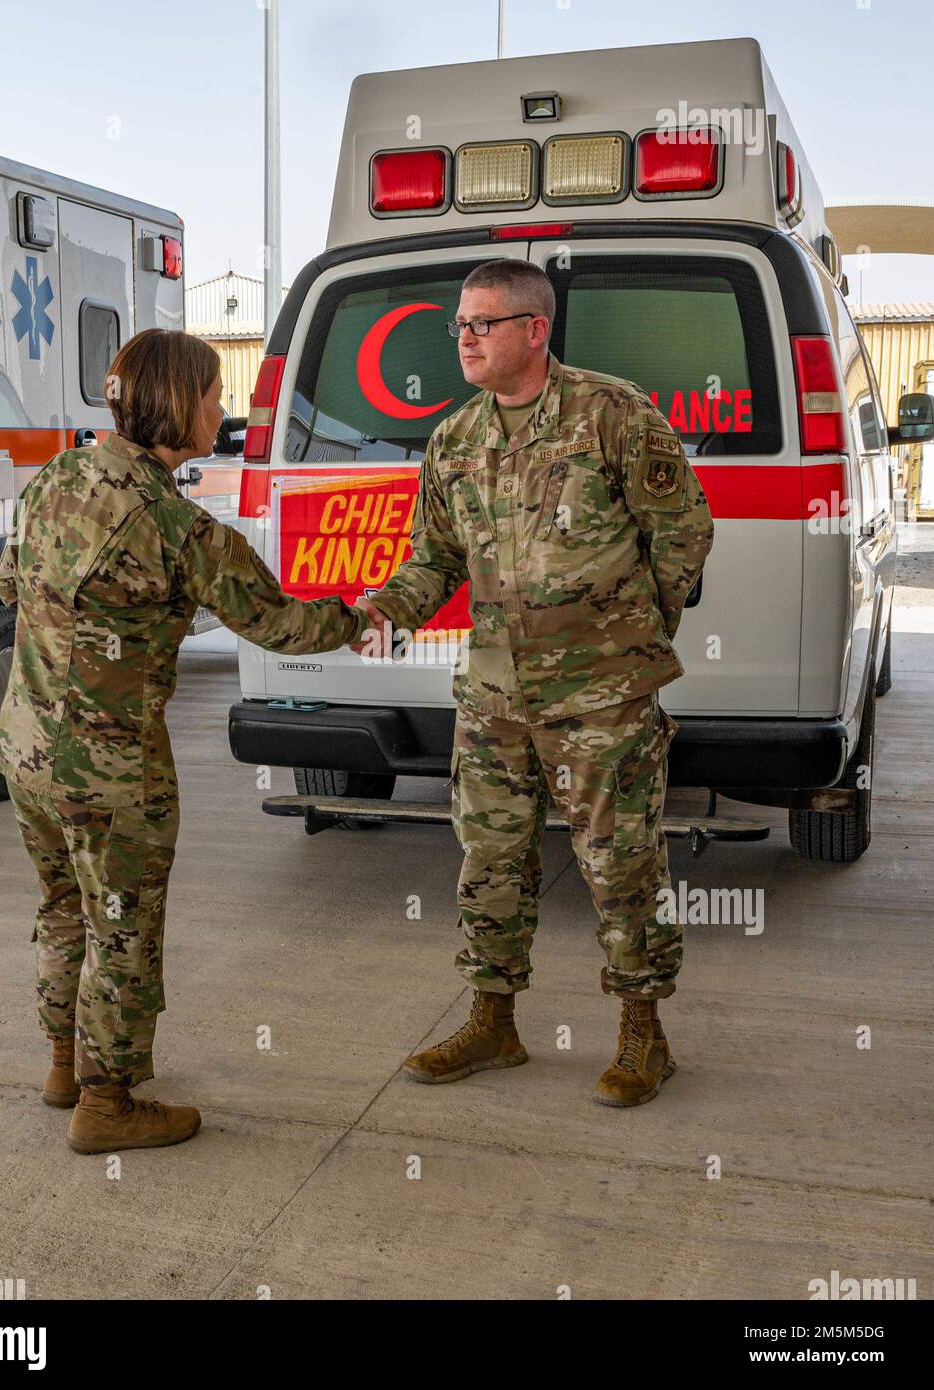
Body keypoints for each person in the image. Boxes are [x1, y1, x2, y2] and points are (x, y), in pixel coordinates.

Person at [0, 328, 369, 1153]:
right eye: (210, 396)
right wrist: (367, 613)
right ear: (173, 405)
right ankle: (107, 1102)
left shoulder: (56, 476)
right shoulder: (177, 528)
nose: (221, 411)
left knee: (63, 908)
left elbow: (8, 580)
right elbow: (283, 624)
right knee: (121, 924)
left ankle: (63, 1063)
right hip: (112, 773)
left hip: (25, 752)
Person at [353, 260, 714, 1107]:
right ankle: (492, 1021)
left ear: (535, 330)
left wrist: (633, 637)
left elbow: (683, 531)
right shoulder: (454, 439)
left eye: (484, 323)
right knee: (490, 860)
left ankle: (642, 1033)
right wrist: (385, 608)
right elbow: (433, 559)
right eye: (460, 326)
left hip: (601, 697)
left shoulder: (611, 414)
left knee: (619, 865)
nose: (466, 339)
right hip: (492, 698)